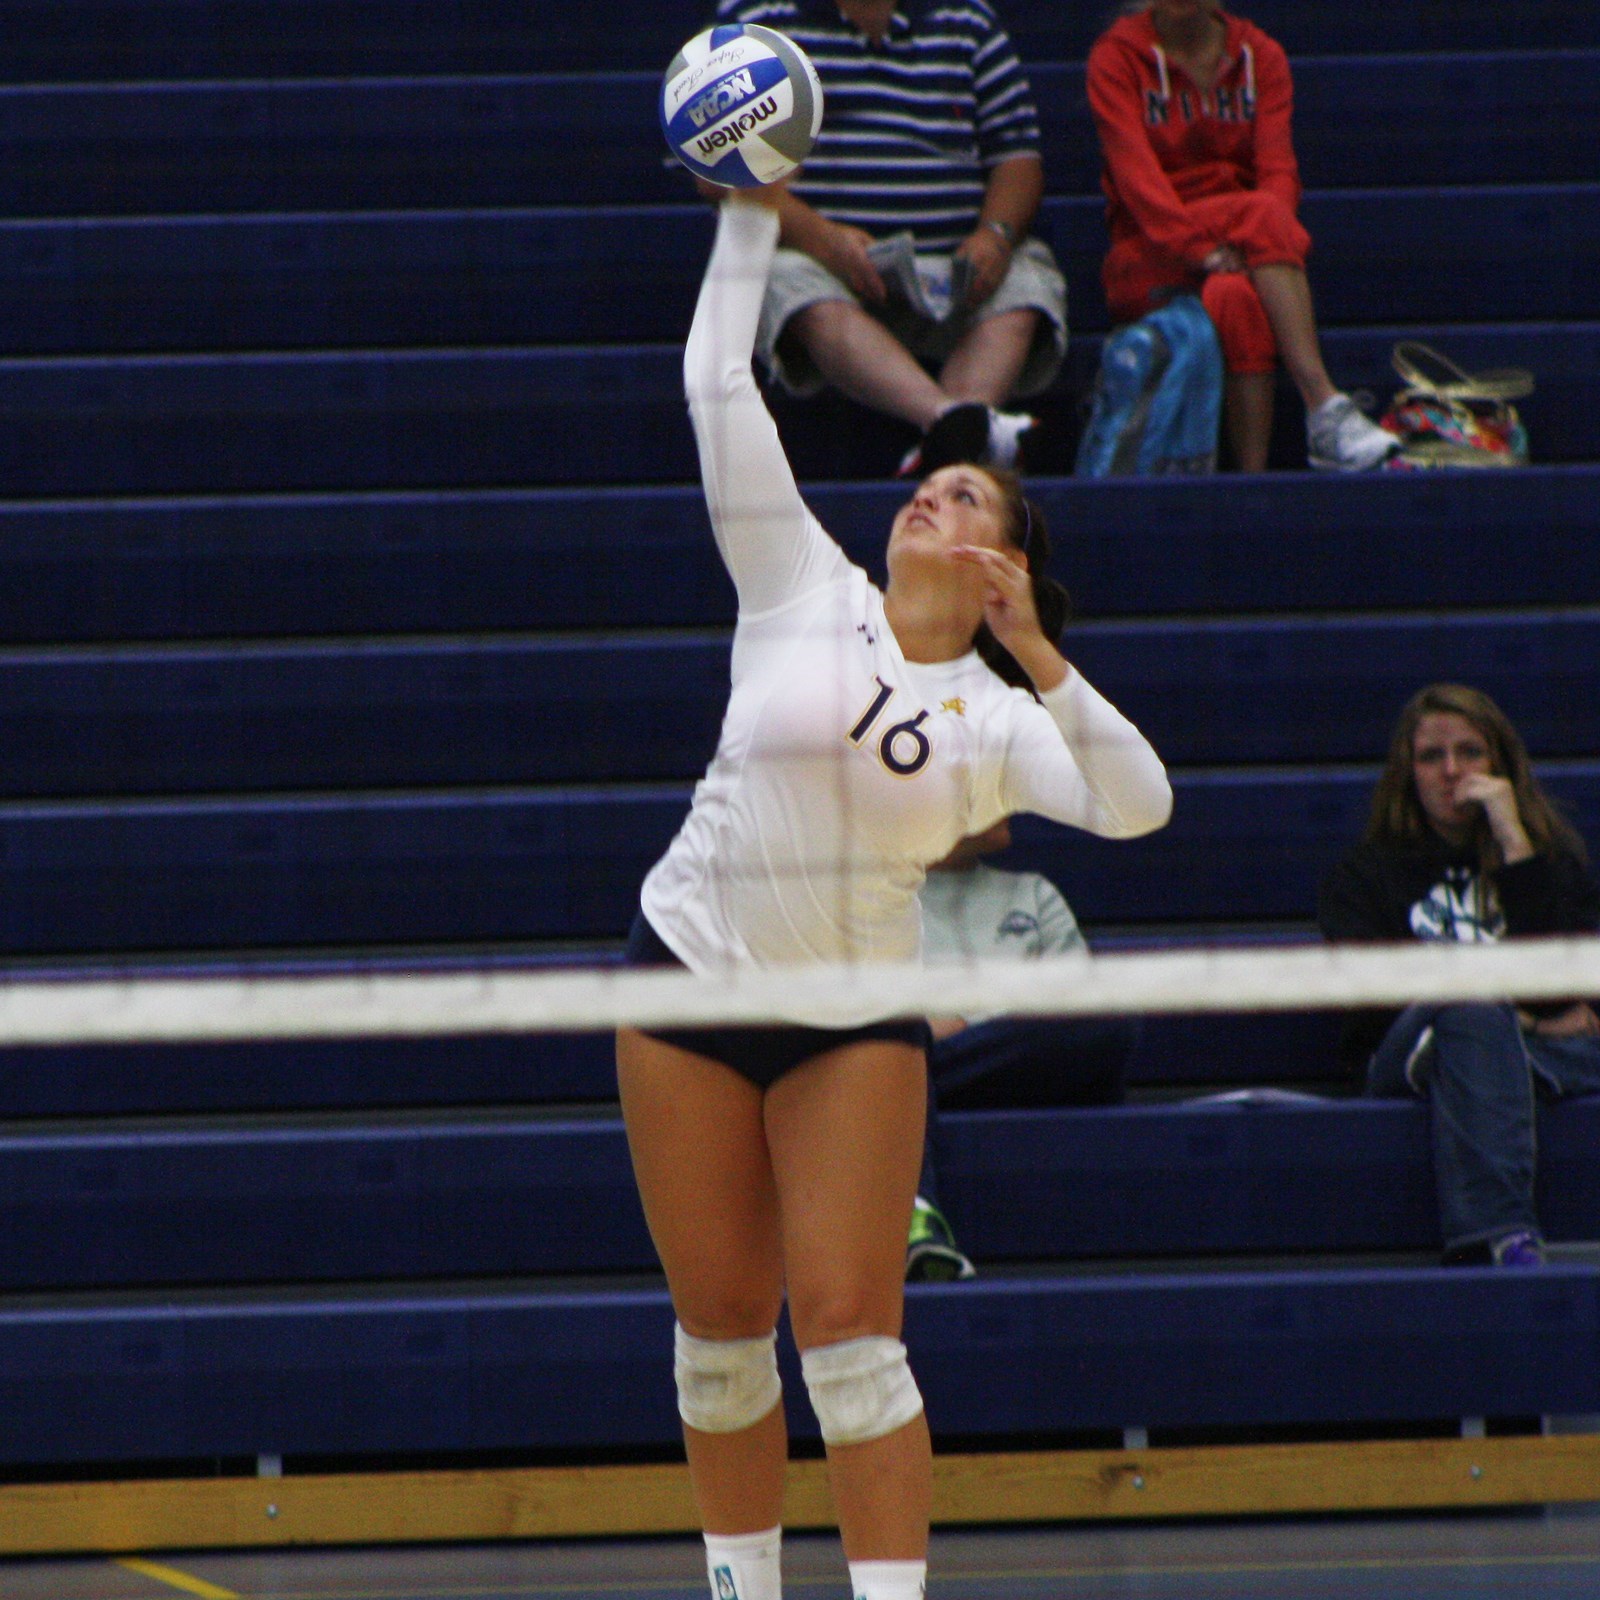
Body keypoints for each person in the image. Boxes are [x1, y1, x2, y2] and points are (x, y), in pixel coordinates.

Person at [616, 191, 1170, 1600]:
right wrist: (750, 204)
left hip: (852, 1023)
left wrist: (1038, 653)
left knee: (855, 1345)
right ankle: (740, 1587)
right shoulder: (802, 585)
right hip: (686, 976)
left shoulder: (999, 723)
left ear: (1006, 563)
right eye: (930, 478)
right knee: (721, 1337)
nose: (933, 488)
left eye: (969, 491)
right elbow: (710, 378)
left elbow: (1139, 802)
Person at [714, 0, 1068, 475]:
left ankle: (950, 445)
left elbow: (1018, 158)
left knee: (1028, 272)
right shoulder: (760, 20)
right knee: (777, 273)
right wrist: (826, 242)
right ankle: (951, 427)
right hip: (825, 267)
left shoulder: (970, 19)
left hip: (956, 268)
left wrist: (996, 235)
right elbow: (721, 170)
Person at [1318, 684, 1600, 1268]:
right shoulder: (1364, 874)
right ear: (1408, 774)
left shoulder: (1552, 860)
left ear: (1499, 763)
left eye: (1470, 752)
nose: (1452, 771)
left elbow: (1558, 988)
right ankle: (1503, 1232)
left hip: (1515, 1051)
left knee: (1479, 1044)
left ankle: (1486, 1060)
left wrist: (1514, 839)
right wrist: (1512, 1013)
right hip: (1405, 1049)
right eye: (1430, 757)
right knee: (1470, 1008)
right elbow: (1375, 1004)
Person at [1086, 0, 1399, 472]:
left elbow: (1279, 172)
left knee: (1237, 295)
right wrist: (1202, 249)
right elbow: (1139, 186)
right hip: (1148, 250)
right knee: (1262, 215)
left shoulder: (1261, 55)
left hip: (1244, 247)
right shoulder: (1116, 58)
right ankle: (1323, 404)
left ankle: (1249, 480)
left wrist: (1251, 245)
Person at [908, 819, 1138, 1281]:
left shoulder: (1032, 893)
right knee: (884, 1052)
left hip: (1010, 1065)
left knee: (1108, 1020)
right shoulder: (873, 899)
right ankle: (916, 1222)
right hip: (912, 1073)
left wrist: (960, 1023)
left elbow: (1079, 1008)